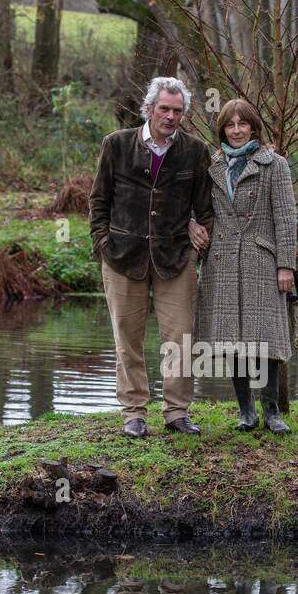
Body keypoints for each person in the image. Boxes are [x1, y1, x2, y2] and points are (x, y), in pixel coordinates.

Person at [89, 76, 214, 438]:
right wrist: (101, 242)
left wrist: (195, 233)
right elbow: (98, 200)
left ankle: (176, 412)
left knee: (180, 337)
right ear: (149, 109)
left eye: (177, 111)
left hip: (176, 257)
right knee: (127, 338)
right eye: (164, 109)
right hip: (122, 256)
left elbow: (205, 208)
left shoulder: (194, 151)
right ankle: (134, 413)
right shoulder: (116, 145)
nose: (171, 116)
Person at [193, 98, 297, 434]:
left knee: (264, 340)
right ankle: (245, 412)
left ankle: (272, 413)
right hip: (221, 262)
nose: (236, 131)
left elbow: (285, 217)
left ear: (253, 126)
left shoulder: (274, 164)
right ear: (222, 129)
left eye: (242, 124)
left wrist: (286, 265)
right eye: (230, 125)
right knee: (232, 341)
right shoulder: (212, 166)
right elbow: (199, 209)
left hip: (261, 260)